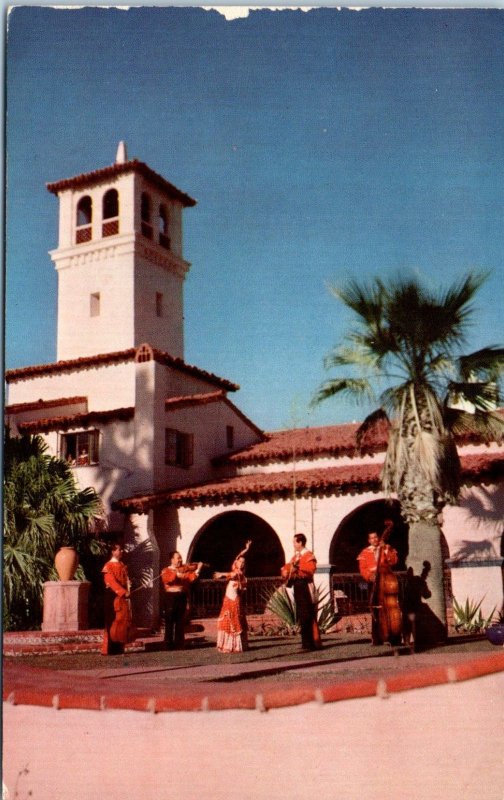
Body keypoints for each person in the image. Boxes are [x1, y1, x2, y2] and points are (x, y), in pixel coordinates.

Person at [357, 523, 399, 644]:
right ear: (369, 540)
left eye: (376, 537)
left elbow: (394, 561)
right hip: (373, 582)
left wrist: (386, 549)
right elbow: (363, 569)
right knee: (375, 608)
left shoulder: (386, 547)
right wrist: (369, 576)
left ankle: (394, 634)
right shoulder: (364, 552)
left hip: (386, 580)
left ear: (379, 537)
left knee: (390, 607)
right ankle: (377, 637)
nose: (374, 540)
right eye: (371, 538)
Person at [281, 533, 321, 651]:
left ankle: (310, 644)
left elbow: (310, 570)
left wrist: (296, 569)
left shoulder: (308, 555)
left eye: (295, 542)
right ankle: (305, 643)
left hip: (305, 586)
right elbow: (288, 567)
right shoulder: (296, 557)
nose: (293, 544)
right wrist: (285, 571)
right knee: (302, 615)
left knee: (307, 614)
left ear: (300, 542)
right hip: (298, 587)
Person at [214, 540, 251, 654]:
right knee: (227, 616)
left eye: (243, 562)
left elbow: (232, 575)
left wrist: (221, 574)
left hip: (234, 597)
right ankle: (226, 644)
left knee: (234, 616)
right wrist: (246, 549)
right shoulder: (235, 567)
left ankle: (234, 645)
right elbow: (238, 556)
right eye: (240, 561)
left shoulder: (239, 573)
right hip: (229, 596)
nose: (241, 563)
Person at [161, 552, 203, 649]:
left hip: (181, 596)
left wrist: (198, 569)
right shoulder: (166, 570)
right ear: (172, 560)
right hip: (170, 597)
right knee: (169, 620)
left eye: (180, 558)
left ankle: (179, 644)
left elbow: (191, 578)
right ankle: (168, 643)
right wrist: (176, 574)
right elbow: (168, 580)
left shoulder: (183, 570)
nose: (180, 560)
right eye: (178, 558)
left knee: (180, 620)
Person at [101, 542, 135, 655]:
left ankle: (119, 646)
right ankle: (110, 649)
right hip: (113, 595)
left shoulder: (122, 565)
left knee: (122, 621)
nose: (121, 551)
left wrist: (128, 585)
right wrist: (123, 592)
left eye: (121, 549)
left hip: (122, 595)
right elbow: (111, 581)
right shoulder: (108, 565)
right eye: (119, 549)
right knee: (112, 621)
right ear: (113, 551)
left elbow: (125, 579)